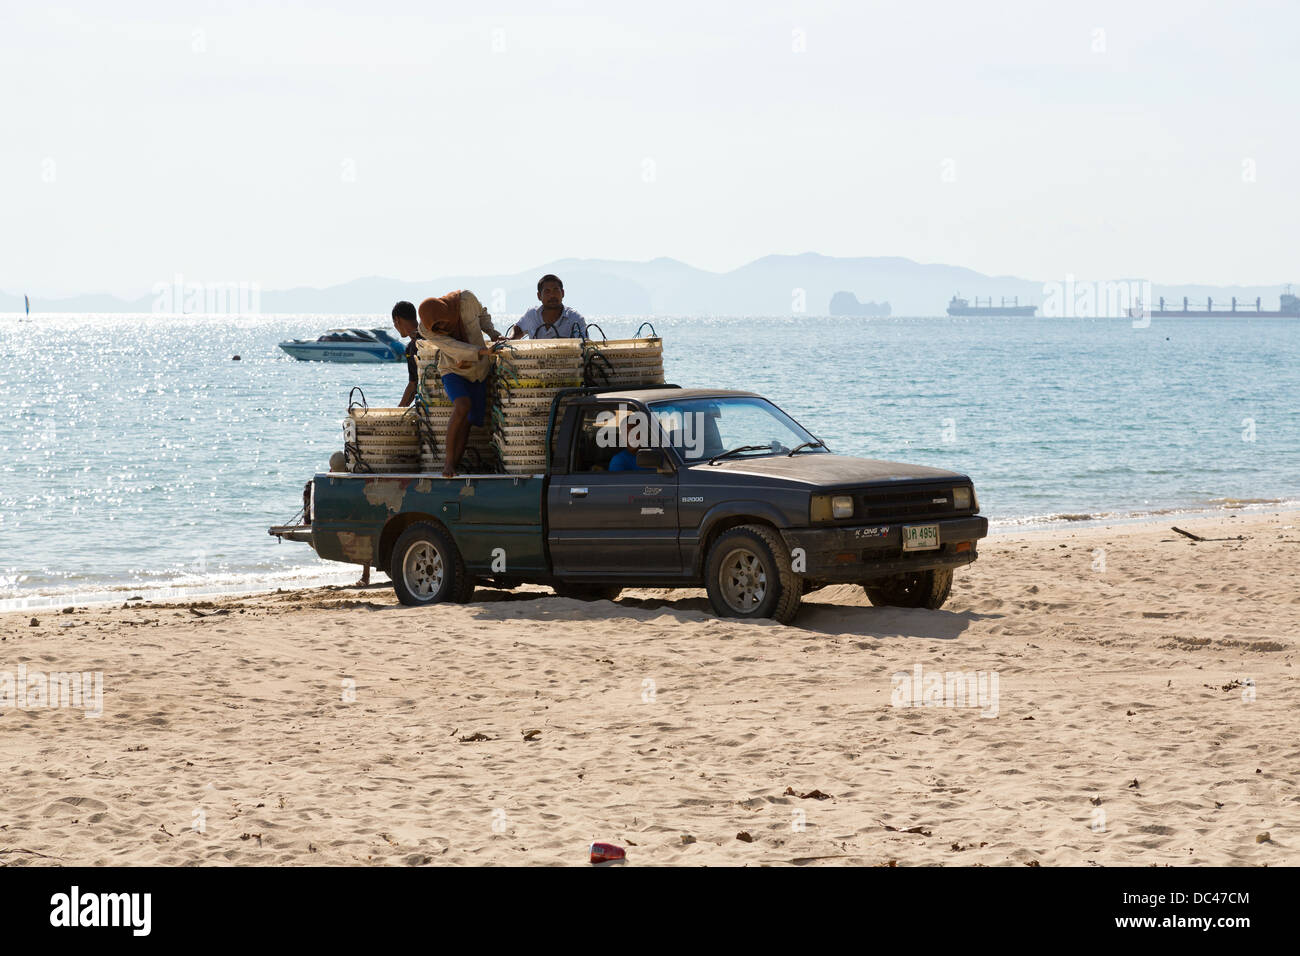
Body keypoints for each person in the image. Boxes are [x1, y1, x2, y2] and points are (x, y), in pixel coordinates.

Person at [418, 289, 503, 477]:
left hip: (478, 371)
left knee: (469, 422)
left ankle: (454, 466)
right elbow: (453, 347)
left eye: (441, 322)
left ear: (445, 312)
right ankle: (448, 464)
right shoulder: (426, 329)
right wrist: (482, 351)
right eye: (436, 326)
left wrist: (492, 332)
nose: (440, 327)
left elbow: (482, 314)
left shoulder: (466, 300)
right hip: (452, 369)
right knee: (462, 406)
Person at [509, 274, 588, 340]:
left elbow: (584, 344)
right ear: (539, 296)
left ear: (563, 293)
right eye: (547, 291)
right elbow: (518, 328)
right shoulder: (532, 314)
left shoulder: (575, 318)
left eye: (556, 290)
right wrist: (511, 338)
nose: (552, 295)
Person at [392, 300, 421, 408]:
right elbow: (413, 384)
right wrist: (400, 411)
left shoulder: (412, 347)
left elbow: (413, 384)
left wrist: (397, 414)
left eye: (394, 323)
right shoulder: (430, 336)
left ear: (397, 320)